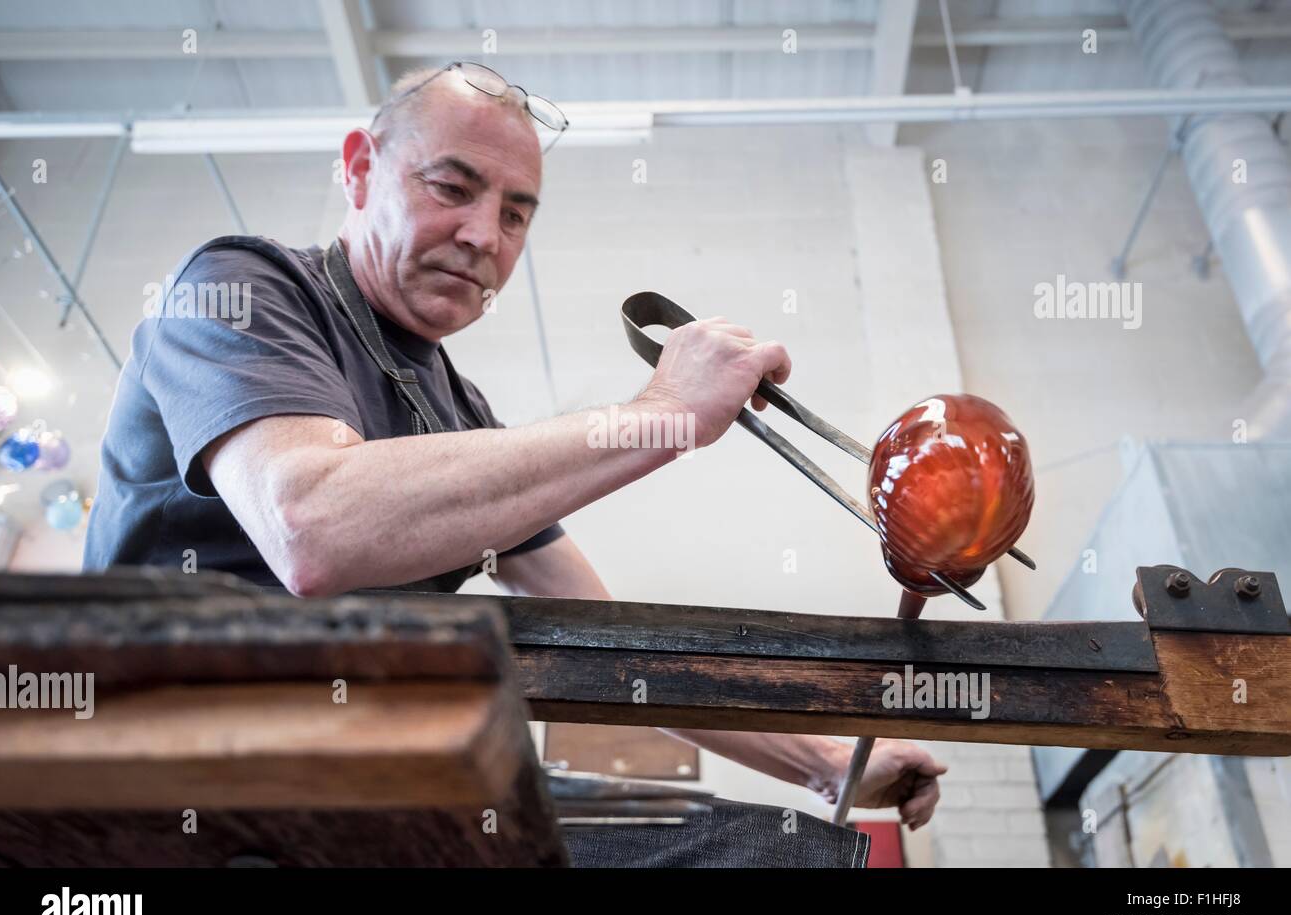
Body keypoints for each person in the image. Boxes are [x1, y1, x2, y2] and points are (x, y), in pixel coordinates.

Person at [84, 62, 946, 852]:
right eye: (451, 187)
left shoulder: (460, 415)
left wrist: (826, 762)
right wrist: (662, 414)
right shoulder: (242, 292)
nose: (481, 236)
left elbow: (608, 643)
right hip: (176, 778)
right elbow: (314, 523)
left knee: (783, 851)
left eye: (515, 213)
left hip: (369, 783)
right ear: (357, 166)